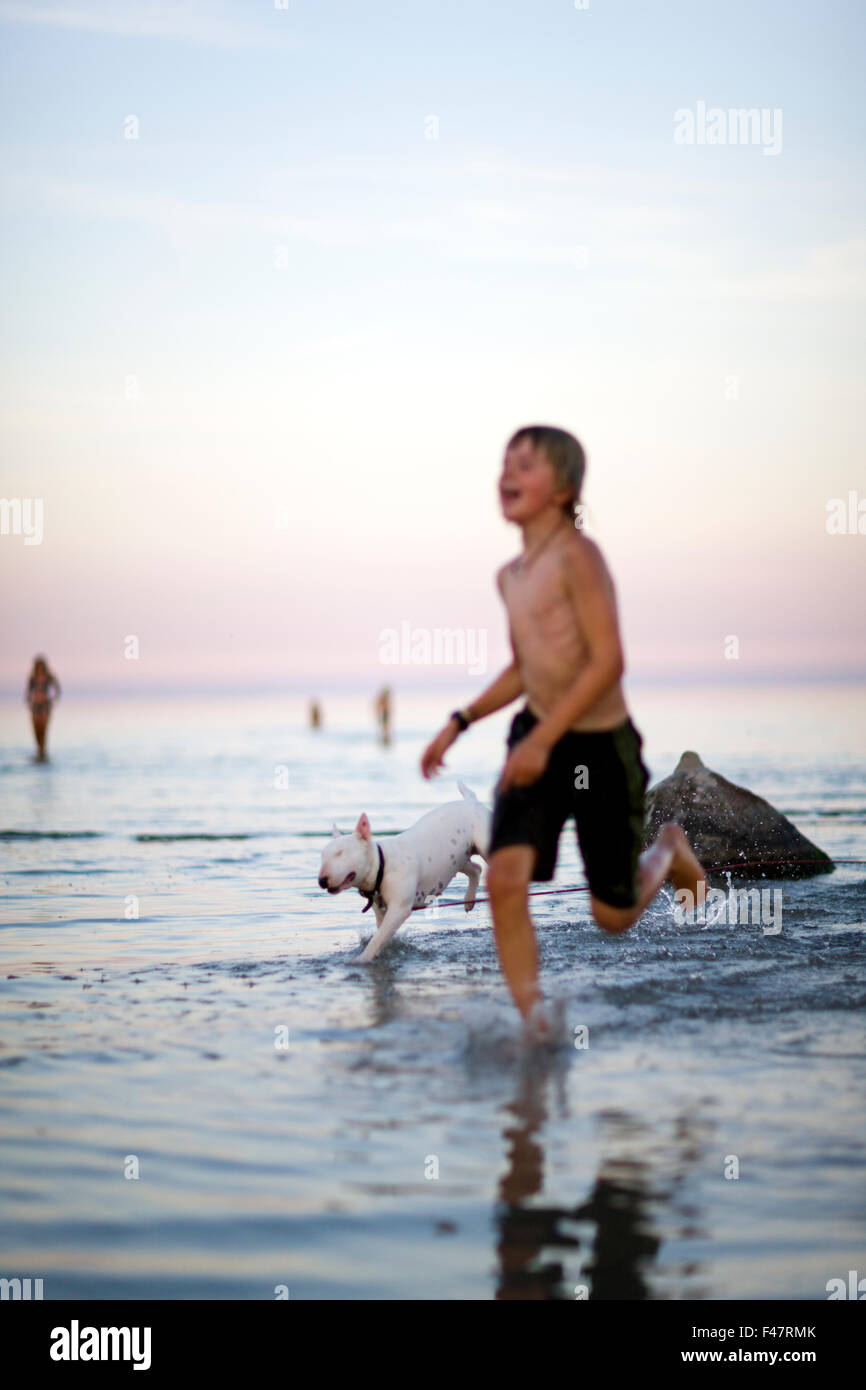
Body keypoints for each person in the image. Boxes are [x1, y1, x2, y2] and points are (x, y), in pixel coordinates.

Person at [420, 425, 705, 1034]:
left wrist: (547, 742)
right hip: (537, 738)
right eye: (505, 461)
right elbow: (526, 668)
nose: (509, 473)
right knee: (504, 877)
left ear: (565, 487)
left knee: (614, 914)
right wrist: (459, 721)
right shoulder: (510, 576)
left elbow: (608, 662)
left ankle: (670, 849)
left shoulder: (580, 557)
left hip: (599, 745)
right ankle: (536, 1022)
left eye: (527, 464)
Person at [25, 655, 61, 762]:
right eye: (38, 666)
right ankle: (39, 750)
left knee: (43, 729)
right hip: (35, 705)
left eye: (42, 666)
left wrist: (52, 700)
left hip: (45, 705)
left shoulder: (49, 677)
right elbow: (28, 692)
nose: (40, 668)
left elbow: (57, 690)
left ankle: (43, 751)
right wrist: (29, 702)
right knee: (36, 729)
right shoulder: (32, 677)